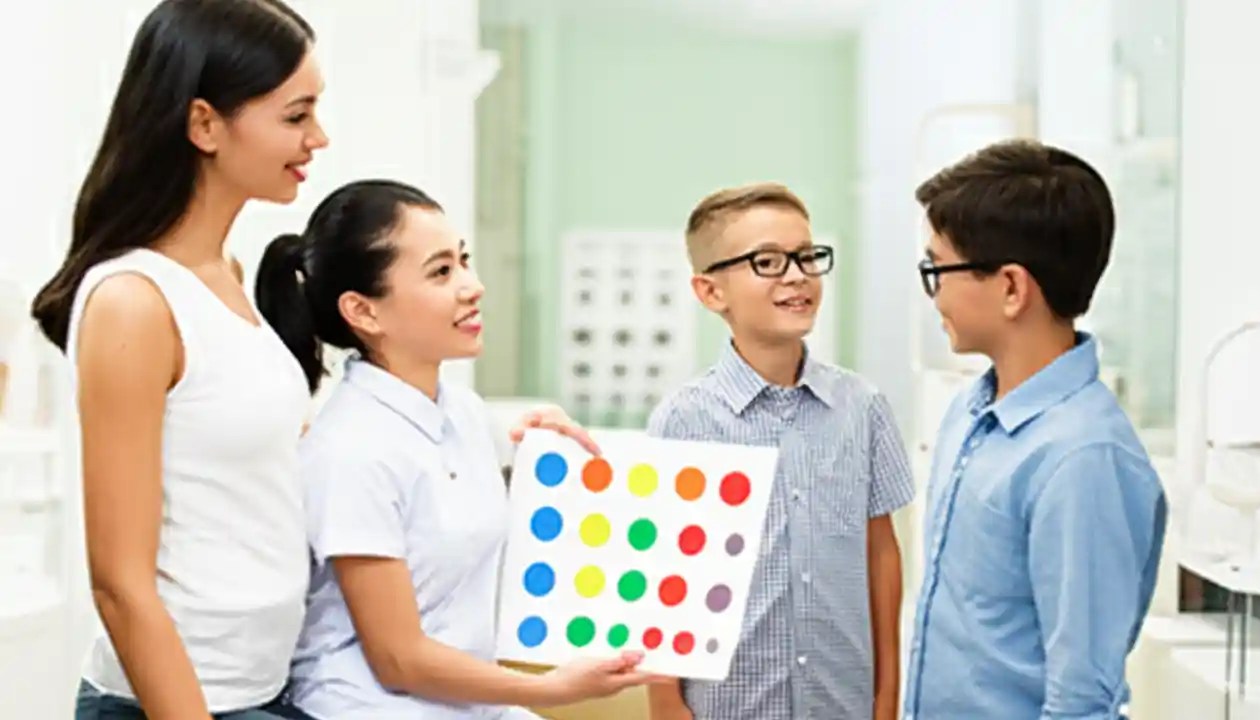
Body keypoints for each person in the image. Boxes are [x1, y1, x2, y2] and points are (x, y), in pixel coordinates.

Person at [255, 179, 655, 719]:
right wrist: (550, 689)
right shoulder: (349, 451)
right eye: (441, 272)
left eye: (463, 261)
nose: (473, 286)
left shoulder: (462, 413)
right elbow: (399, 658)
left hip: (468, 706)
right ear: (364, 311)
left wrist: (549, 446)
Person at [28, 1, 328, 717]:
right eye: (296, 116)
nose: (319, 137)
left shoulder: (226, 272)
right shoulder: (135, 300)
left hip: (264, 689)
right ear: (203, 124)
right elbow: (120, 585)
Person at [901, 139, 1167, 719]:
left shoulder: (1084, 458)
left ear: (1012, 288)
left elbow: (1081, 700)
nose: (935, 293)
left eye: (937, 270)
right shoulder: (970, 413)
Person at [645, 183, 915, 720]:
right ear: (710, 292)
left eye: (806, 257)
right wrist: (666, 703)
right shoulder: (684, 419)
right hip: (729, 707)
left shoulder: (863, 408)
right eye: (767, 262)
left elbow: (881, 554)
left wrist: (886, 699)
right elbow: (663, 572)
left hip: (844, 704)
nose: (797, 275)